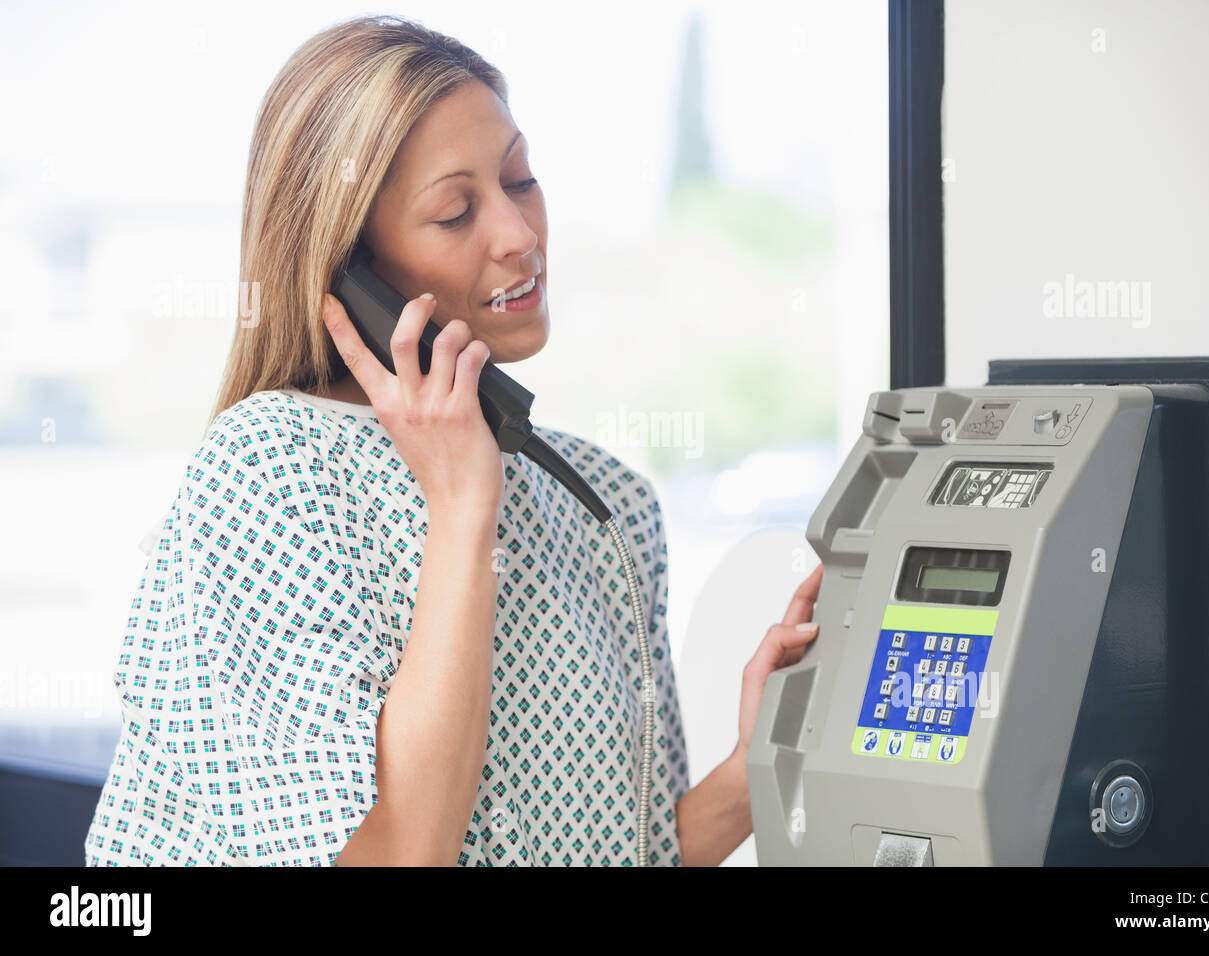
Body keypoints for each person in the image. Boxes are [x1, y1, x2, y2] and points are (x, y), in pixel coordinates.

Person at [83, 14, 824, 867]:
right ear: (353, 266)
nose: (518, 235)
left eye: (521, 179)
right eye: (454, 211)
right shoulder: (270, 472)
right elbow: (401, 858)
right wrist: (462, 505)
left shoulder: (605, 499)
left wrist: (751, 771)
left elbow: (626, 856)